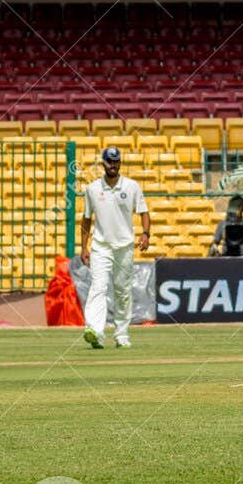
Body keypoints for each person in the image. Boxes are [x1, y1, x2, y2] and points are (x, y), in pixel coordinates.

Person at [79, 146, 150, 349]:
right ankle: (95, 331)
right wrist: (84, 247)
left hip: (125, 246)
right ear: (103, 163)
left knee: (122, 291)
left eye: (116, 161)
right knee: (98, 287)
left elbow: (144, 212)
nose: (113, 165)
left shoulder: (131, 186)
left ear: (120, 163)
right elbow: (86, 220)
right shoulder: (92, 189)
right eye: (109, 162)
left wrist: (146, 234)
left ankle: (121, 335)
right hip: (101, 246)